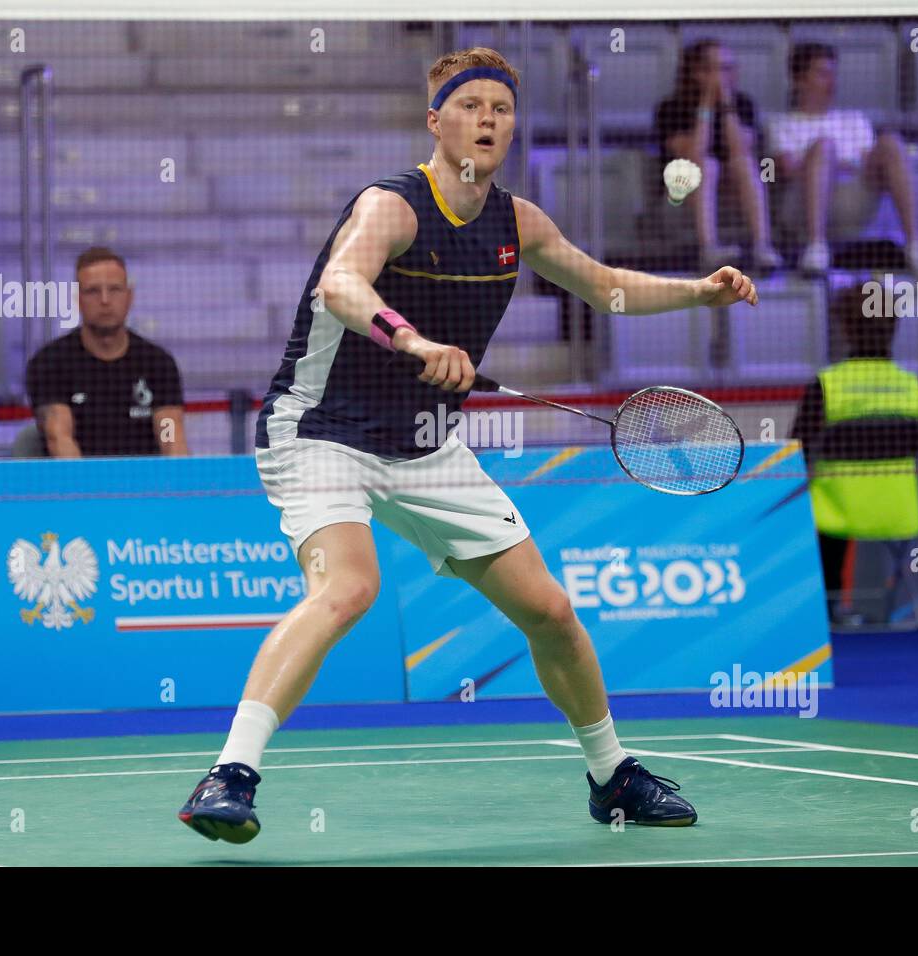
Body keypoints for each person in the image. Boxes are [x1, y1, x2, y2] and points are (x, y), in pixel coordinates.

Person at [177, 47, 759, 845]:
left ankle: (612, 776)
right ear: (435, 120)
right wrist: (412, 341)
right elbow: (340, 287)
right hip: (320, 431)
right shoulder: (393, 205)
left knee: (550, 610)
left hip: (424, 443)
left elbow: (605, 287)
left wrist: (699, 290)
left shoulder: (518, 222)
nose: (488, 120)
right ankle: (230, 774)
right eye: (471, 105)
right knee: (347, 588)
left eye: (502, 108)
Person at [790, 284, 918, 623]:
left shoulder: (826, 384)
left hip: (835, 516)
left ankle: (827, 610)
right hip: (897, 512)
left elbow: (794, 454)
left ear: (846, 328)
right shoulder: (911, 383)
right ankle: (891, 606)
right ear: (894, 327)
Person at [767, 44, 918, 279]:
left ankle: (915, 245)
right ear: (799, 80)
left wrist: (824, 165)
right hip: (802, 206)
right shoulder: (780, 123)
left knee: (891, 143)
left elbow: (874, 167)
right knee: (823, 147)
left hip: (855, 201)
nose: (831, 82)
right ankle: (816, 245)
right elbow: (785, 169)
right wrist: (829, 162)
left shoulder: (854, 121)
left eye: (833, 74)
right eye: (822, 74)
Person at [24, 247, 189, 458]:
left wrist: (176, 483)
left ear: (129, 297)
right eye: (93, 291)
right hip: (78, 484)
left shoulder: (157, 363)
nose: (105, 300)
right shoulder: (50, 363)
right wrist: (92, 490)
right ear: (78, 299)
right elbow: (60, 438)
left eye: (114, 290)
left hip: (145, 485)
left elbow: (170, 435)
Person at [656, 39, 782, 273]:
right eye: (722, 68)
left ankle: (762, 247)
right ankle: (709, 249)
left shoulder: (743, 104)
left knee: (744, 162)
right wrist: (706, 105)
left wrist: (725, 106)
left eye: (731, 67)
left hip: (731, 194)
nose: (731, 74)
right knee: (707, 165)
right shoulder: (670, 108)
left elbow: (740, 148)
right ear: (698, 73)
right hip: (681, 197)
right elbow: (694, 154)